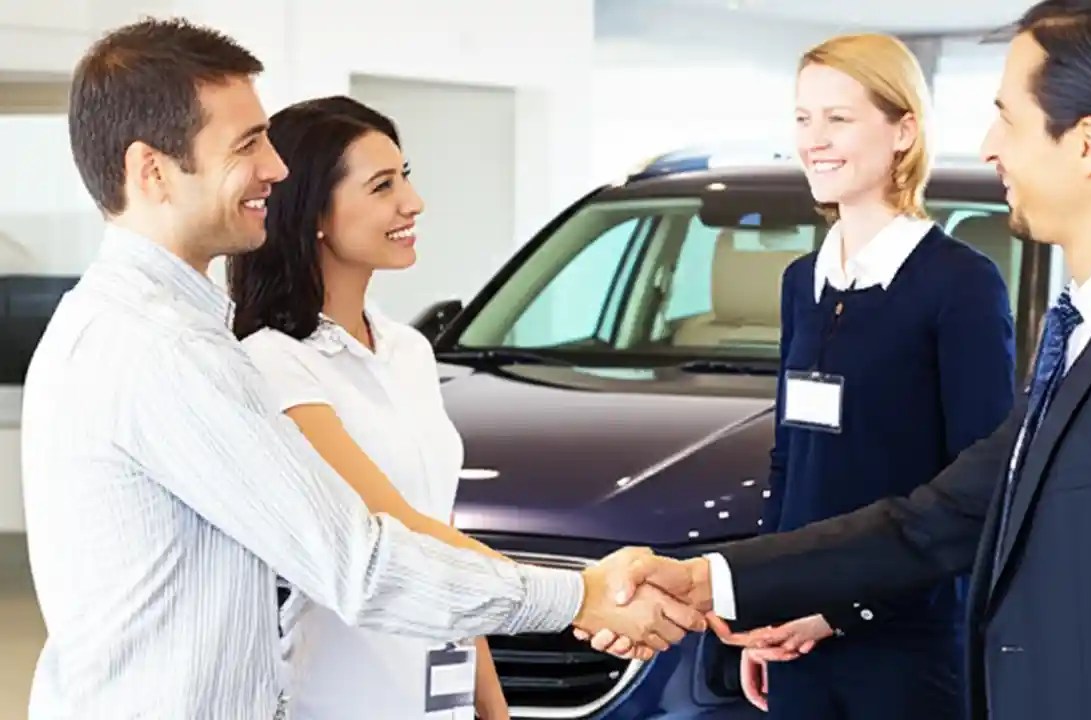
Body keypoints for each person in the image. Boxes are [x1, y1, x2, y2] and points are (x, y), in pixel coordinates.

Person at [588, 1, 1091, 718]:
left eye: (1007, 118)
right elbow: (937, 517)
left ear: (1087, 144)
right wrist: (711, 580)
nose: (988, 146)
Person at [19, 18, 700, 719]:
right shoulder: (165, 350)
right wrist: (580, 594)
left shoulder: (153, 327)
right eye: (247, 144)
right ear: (152, 170)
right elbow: (361, 563)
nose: (275, 169)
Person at [726, 32, 1015, 719]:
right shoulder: (804, 282)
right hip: (793, 637)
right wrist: (765, 602)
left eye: (838, 118)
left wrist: (837, 611)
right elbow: (789, 463)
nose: (813, 140)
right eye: (803, 118)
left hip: (902, 649)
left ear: (903, 132)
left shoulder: (961, 285)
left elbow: (978, 492)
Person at [224, 98, 507, 719]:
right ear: (312, 215)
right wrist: (575, 593)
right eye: (383, 186)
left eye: (405, 176)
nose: (413, 202)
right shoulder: (274, 363)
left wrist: (493, 709)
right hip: (347, 693)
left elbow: (441, 529)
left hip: (440, 685)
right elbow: (397, 530)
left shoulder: (408, 350)